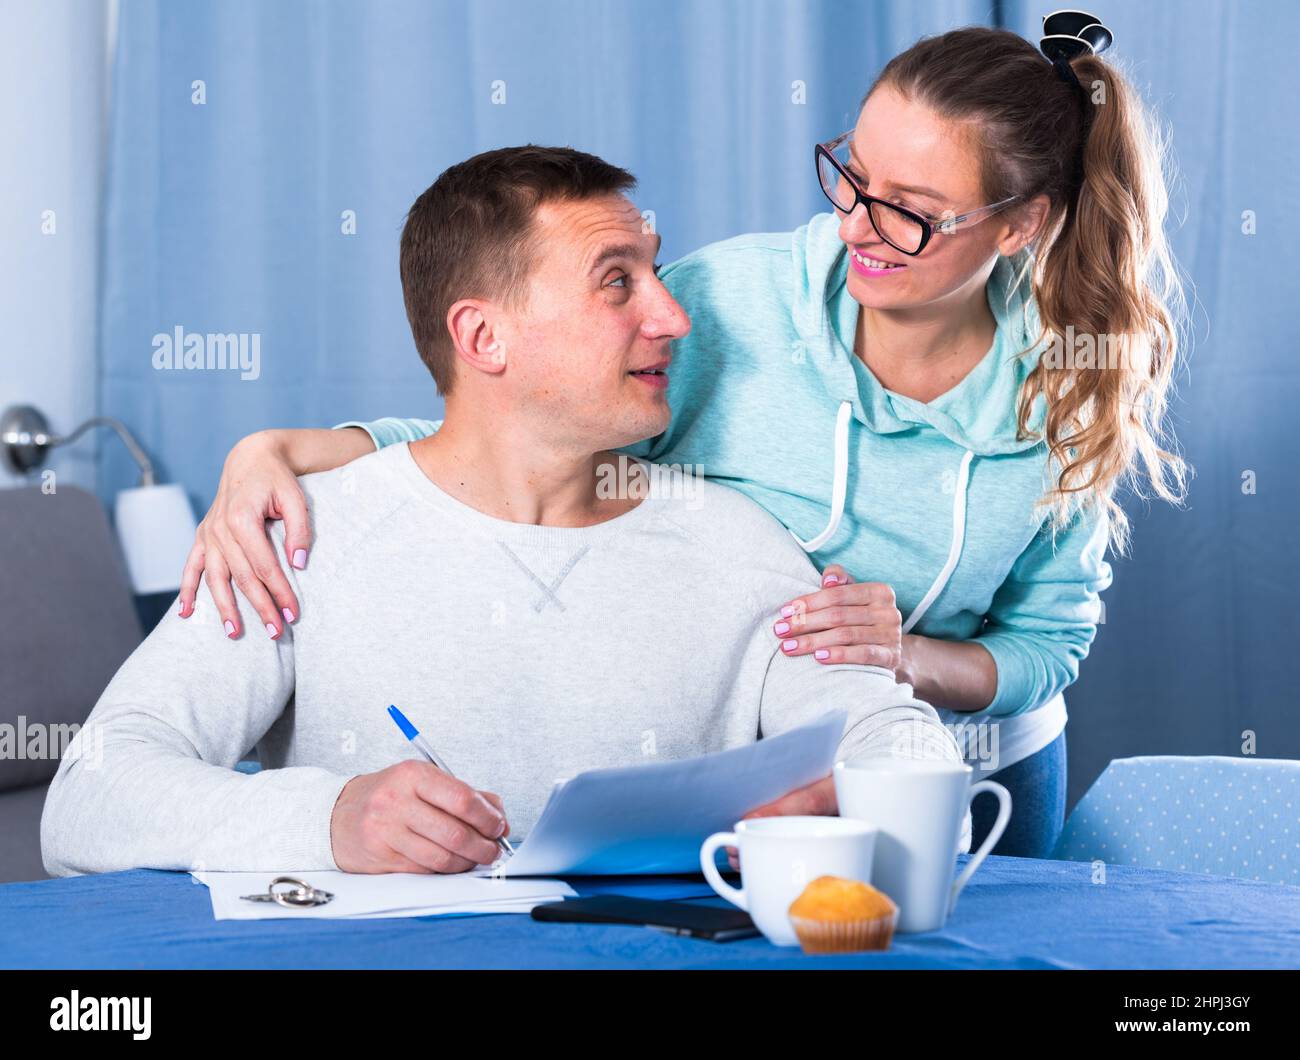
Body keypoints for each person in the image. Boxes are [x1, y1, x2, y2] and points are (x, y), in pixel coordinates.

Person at [180, 22, 1185, 859]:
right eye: (851, 174)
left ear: (1018, 227)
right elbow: (532, 428)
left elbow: (1048, 641)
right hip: (775, 765)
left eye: (910, 215)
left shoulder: (1076, 382)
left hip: (976, 770)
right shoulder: (730, 305)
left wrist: (907, 658)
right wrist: (290, 448)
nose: (855, 226)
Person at [41, 146, 961, 878]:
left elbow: (895, 738)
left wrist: (853, 794)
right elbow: (90, 798)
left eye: (656, 272)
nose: (674, 317)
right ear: (483, 338)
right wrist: (326, 818)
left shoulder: (739, 542)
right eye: (618, 282)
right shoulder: (297, 536)